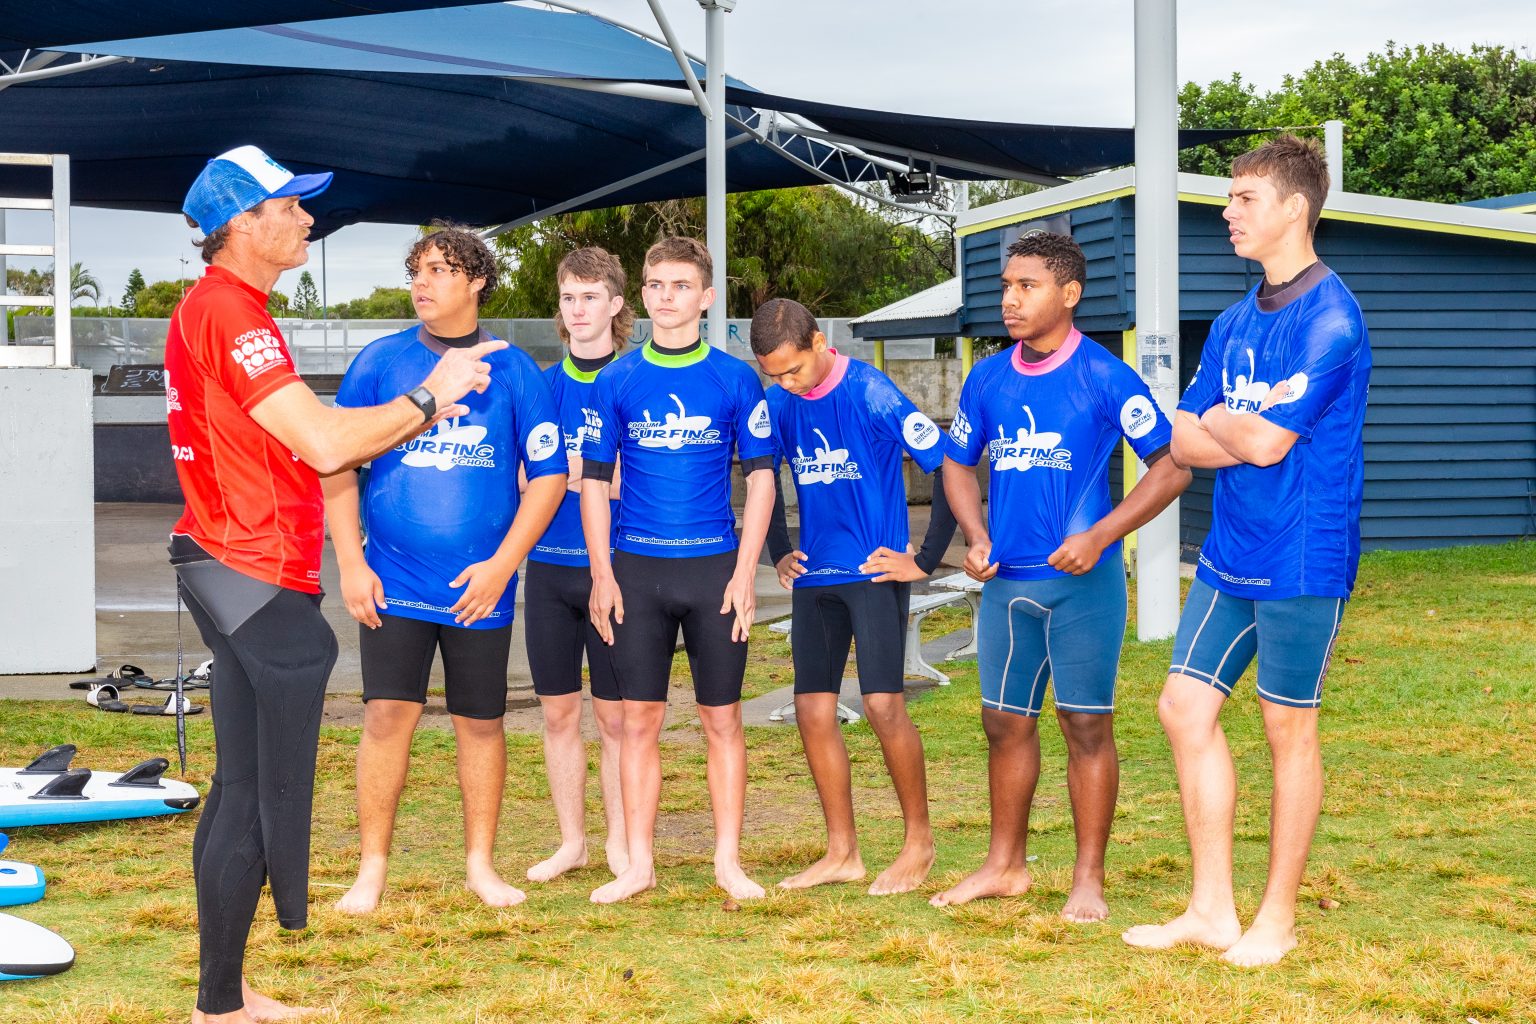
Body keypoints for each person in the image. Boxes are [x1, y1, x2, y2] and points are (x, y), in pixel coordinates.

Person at [166, 146, 504, 1024]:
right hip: (251, 570)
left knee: (243, 786)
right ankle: (221, 1004)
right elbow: (323, 446)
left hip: (230, 562)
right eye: (291, 206)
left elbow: (327, 430)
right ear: (245, 223)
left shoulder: (226, 310)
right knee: (260, 793)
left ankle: (223, 997)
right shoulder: (229, 313)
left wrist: (414, 406)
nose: (308, 220)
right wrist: (431, 396)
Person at [1123, 135, 1370, 966]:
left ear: (1294, 207)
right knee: (1183, 709)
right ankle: (1210, 910)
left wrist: (1227, 425)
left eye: (1244, 199)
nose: (1227, 212)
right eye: (1228, 198)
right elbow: (1182, 439)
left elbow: (1261, 442)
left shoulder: (1333, 319)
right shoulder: (1232, 322)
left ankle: (1278, 920)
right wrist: (1229, 427)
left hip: (1304, 554)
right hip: (1231, 553)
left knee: (1284, 727)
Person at [933, 231, 1191, 922]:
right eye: (1007, 287)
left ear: (1069, 293)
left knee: (1084, 724)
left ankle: (1088, 879)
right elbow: (958, 461)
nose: (1010, 300)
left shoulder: (1105, 377)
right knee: (1002, 723)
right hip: (1006, 587)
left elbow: (1172, 466)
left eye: (1027, 286)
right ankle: (1004, 865)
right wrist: (976, 533)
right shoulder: (987, 378)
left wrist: (1102, 535)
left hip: (1084, 586)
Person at [326, 225, 566, 914]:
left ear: (477, 282)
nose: (422, 284)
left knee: (481, 724)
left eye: (439, 270)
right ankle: (371, 871)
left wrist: (503, 565)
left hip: (478, 588)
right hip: (392, 580)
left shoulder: (518, 371)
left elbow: (549, 478)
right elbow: (335, 463)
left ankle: (481, 866)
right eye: (417, 271)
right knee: (385, 718)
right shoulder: (379, 361)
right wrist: (350, 564)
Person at [579, 236, 776, 904]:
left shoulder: (735, 377)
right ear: (642, 295)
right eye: (656, 285)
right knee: (639, 722)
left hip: (713, 569)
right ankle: (638, 864)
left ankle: (728, 862)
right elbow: (594, 485)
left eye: (681, 285)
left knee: (723, 721)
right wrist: (602, 575)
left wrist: (747, 571)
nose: (667, 297)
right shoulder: (618, 378)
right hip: (637, 570)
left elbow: (763, 481)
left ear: (707, 296)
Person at [751, 297, 957, 896]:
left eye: (793, 369)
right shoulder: (780, 402)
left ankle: (919, 842)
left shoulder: (871, 392)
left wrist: (920, 561)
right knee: (813, 710)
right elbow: (765, 476)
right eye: (774, 375)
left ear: (819, 343)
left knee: (883, 706)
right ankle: (843, 851)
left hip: (872, 576)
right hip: (815, 581)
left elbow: (947, 466)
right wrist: (779, 550)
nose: (786, 383)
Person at [523, 247, 631, 883]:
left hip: (616, 570)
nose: (579, 309)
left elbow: (645, 479)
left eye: (591, 296)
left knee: (616, 717)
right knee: (559, 712)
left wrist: (571, 476)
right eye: (568, 297)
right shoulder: (541, 385)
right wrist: (588, 476)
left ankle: (622, 842)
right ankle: (573, 843)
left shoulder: (636, 379)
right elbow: (521, 474)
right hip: (549, 571)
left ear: (616, 305)